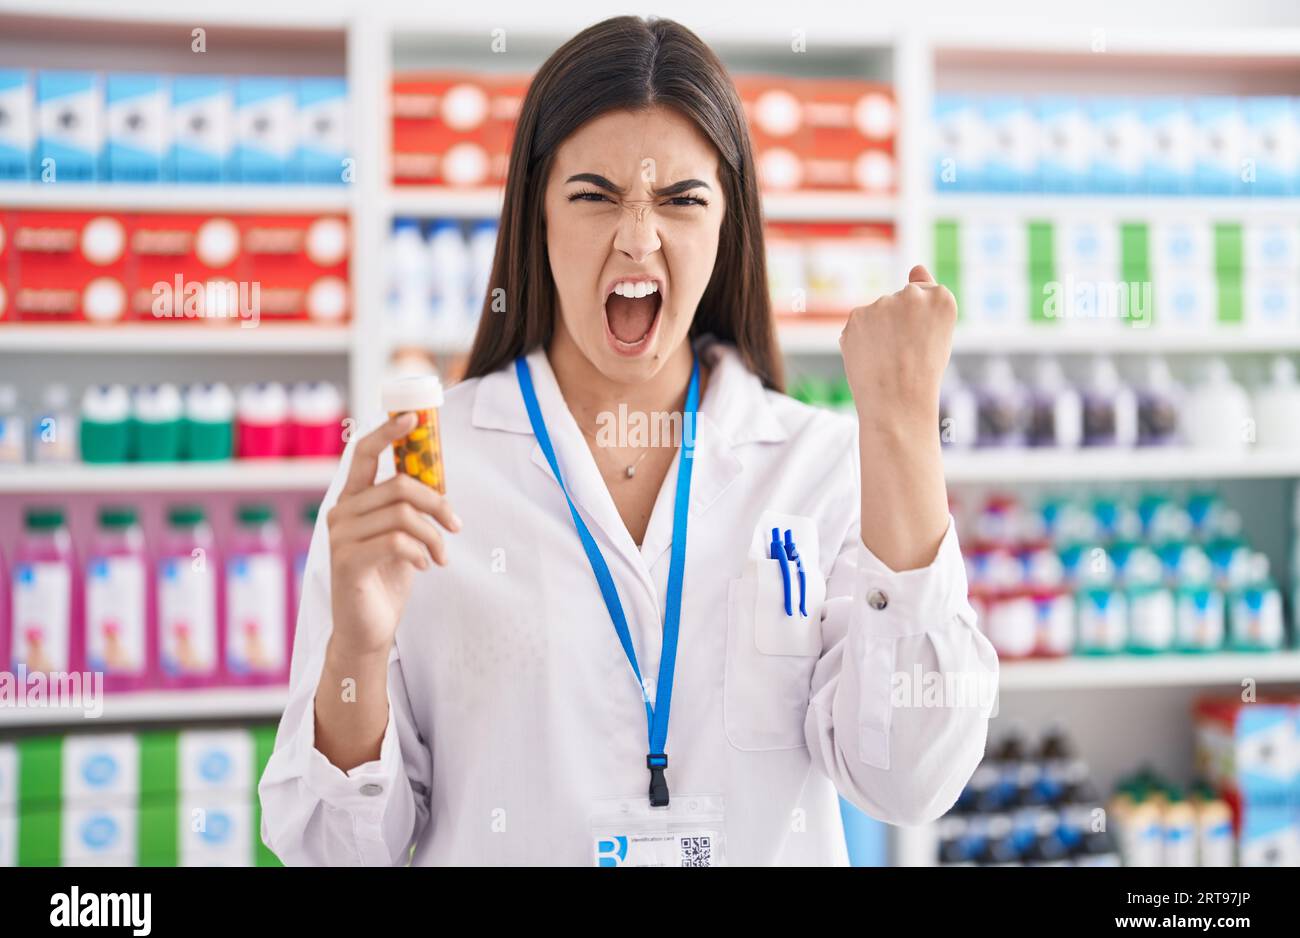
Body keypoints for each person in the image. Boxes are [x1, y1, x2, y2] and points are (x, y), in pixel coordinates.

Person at [259, 14, 997, 866]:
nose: (638, 237)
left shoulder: (818, 466)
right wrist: (357, 646)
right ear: (535, 213)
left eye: (682, 200)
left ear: (728, 229)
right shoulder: (420, 472)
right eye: (594, 195)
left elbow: (911, 782)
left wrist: (903, 426)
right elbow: (333, 852)